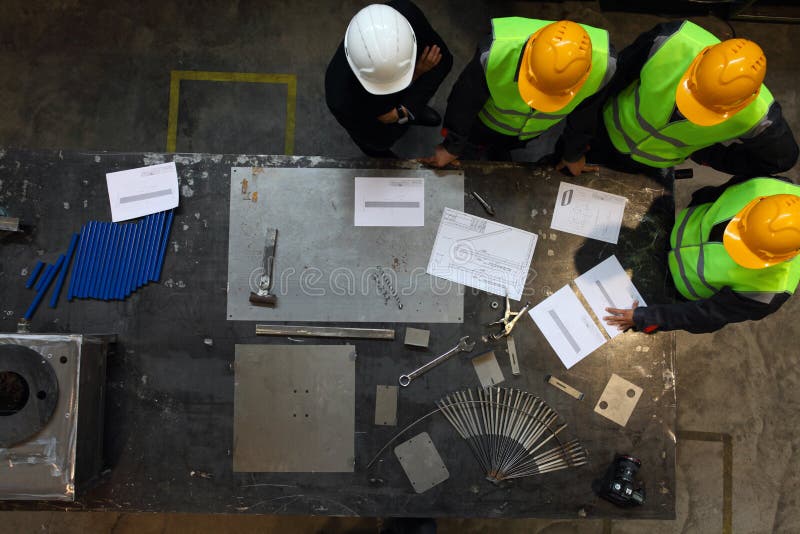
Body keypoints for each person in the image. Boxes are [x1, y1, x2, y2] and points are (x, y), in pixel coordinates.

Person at [591, 20, 799, 177]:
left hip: (652, 163)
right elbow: (618, 74)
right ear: (698, 62)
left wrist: (710, 156)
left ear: (744, 102)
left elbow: (782, 159)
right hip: (605, 128)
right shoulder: (671, 42)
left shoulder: (759, 117)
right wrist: (583, 131)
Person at [604, 176, 800, 334]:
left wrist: (646, 317)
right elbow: (719, 194)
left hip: (678, 288)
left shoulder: (770, 291)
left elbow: (706, 315)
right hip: (673, 231)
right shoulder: (766, 186)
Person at [421, 18, 617, 174]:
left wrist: (573, 153)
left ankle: (500, 150)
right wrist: (452, 146)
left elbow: (586, 112)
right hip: (483, 125)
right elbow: (464, 102)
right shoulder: (495, 54)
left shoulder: (603, 66)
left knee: (503, 149)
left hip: (527, 133)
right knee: (473, 147)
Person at [325, 1, 452, 158]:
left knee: (407, 113)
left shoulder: (406, 16)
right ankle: (381, 155)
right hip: (372, 115)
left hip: (400, 103)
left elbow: (444, 61)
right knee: (379, 144)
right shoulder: (339, 96)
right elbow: (374, 137)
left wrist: (405, 108)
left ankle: (410, 115)